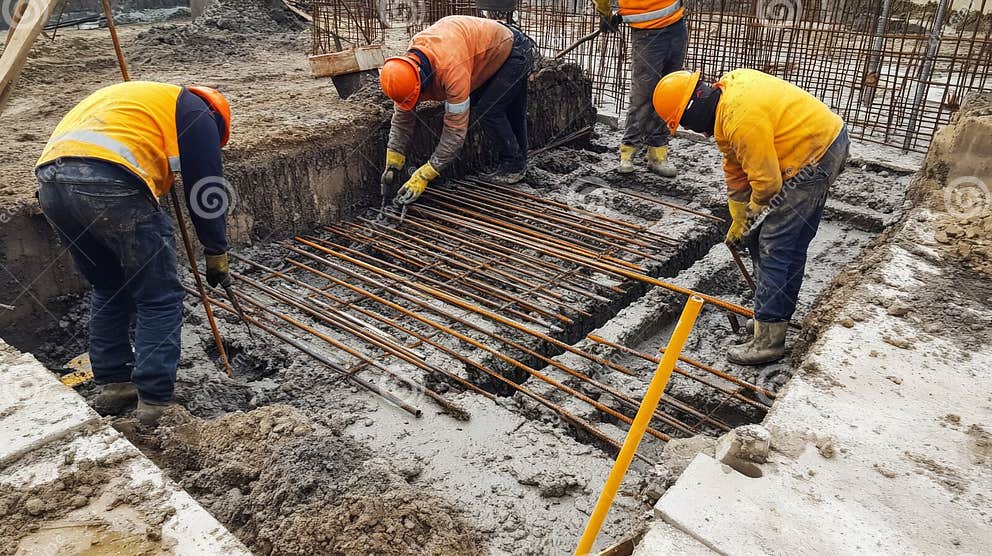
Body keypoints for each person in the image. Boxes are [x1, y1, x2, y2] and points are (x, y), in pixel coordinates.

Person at [35, 81, 233, 424]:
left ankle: (115, 383)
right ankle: (155, 400)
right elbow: (206, 187)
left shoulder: (145, 104)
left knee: (108, 286)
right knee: (159, 295)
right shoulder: (198, 113)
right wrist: (216, 251)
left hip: (51, 184)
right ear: (216, 117)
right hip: (109, 183)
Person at [652, 69, 850, 364]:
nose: (690, 130)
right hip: (821, 142)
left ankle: (769, 340)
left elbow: (767, 184)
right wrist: (738, 216)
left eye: (684, 123)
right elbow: (735, 163)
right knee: (785, 242)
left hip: (813, 156)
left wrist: (754, 213)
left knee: (775, 243)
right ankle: (771, 317)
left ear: (691, 112)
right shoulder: (729, 97)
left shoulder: (739, 118)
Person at [379, 15, 535, 205]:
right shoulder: (407, 69)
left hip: (513, 51)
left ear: (422, 84)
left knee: (490, 110)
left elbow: (455, 133)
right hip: (482, 50)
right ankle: (517, 161)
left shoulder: (452, 70)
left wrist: (426, 174)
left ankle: (514, 165)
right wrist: (394, 158)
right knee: (495, 106)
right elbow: (403, 116)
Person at [595, 0, 687, 177]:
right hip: (646, 34)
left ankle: (657, 154)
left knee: (669, 93)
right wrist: (606, 14)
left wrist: (607, 15)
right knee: (643, 95)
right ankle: (628, 151)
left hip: (676, 24)